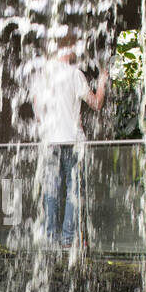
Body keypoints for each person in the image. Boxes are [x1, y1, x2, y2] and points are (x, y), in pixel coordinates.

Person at [30, 38, 108, 248]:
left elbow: (38, 113)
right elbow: (97, 104)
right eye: (71, 49)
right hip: (72, 140)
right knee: (74, 189)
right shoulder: (75, 74)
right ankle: (68, 239)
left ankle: (50, 237)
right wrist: (102, 80)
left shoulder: (42, 76)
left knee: (51, 190)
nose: (75, 52)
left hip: (50, 141)